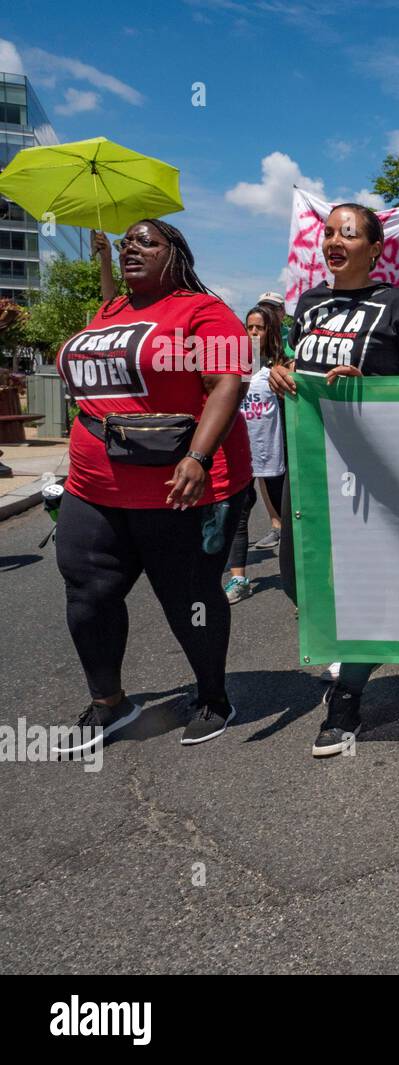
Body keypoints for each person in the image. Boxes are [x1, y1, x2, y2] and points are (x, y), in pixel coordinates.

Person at [50, 219, 253, 753]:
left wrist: (197, 457)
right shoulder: (110, 311)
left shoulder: (204, 311)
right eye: (124, 245)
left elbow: (226, 382)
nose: (130, 249)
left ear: (175, 252)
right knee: (87, 592)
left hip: (180, 488)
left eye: (145, 241)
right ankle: (110, 704)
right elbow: (113, 330)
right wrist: (100, 265)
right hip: (92, 485)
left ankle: (213, 696)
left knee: (189, 601)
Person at [266, 203, 399, 758]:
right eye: (328, 233)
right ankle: (348, 650)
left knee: (364, 584)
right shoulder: (310, 304)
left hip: (370, 470)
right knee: (299, 579)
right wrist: (280, 371)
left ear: (375, 247)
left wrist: (372, 385)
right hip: (311, 462)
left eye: (348, 233)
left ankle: (347, 702)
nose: (334, 241)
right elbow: (293, 364)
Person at [223, 305, 288, 603]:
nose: (252, 333)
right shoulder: (235, 367)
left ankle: (298, 583)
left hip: (273, 458)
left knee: (288, 520)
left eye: (258, 328)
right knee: (238, 516)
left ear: (270, 332)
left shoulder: (281, 367)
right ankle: (239, 579)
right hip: (240, 456)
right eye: (248, 327)